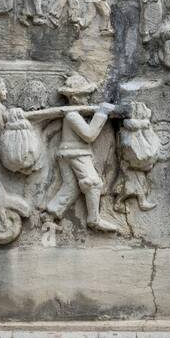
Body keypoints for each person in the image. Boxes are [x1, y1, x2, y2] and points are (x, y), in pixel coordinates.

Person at [47, 75, 117, 232]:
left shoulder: (74, 114)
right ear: (75, 97)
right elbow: (90, 135)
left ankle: (50, 214)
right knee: (92, 182)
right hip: (76, 153)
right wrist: (101, 114)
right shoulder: (72, 115)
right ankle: (94, 219)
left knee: (71, 187)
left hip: (68, 153)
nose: (87, 98)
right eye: (84, 95)